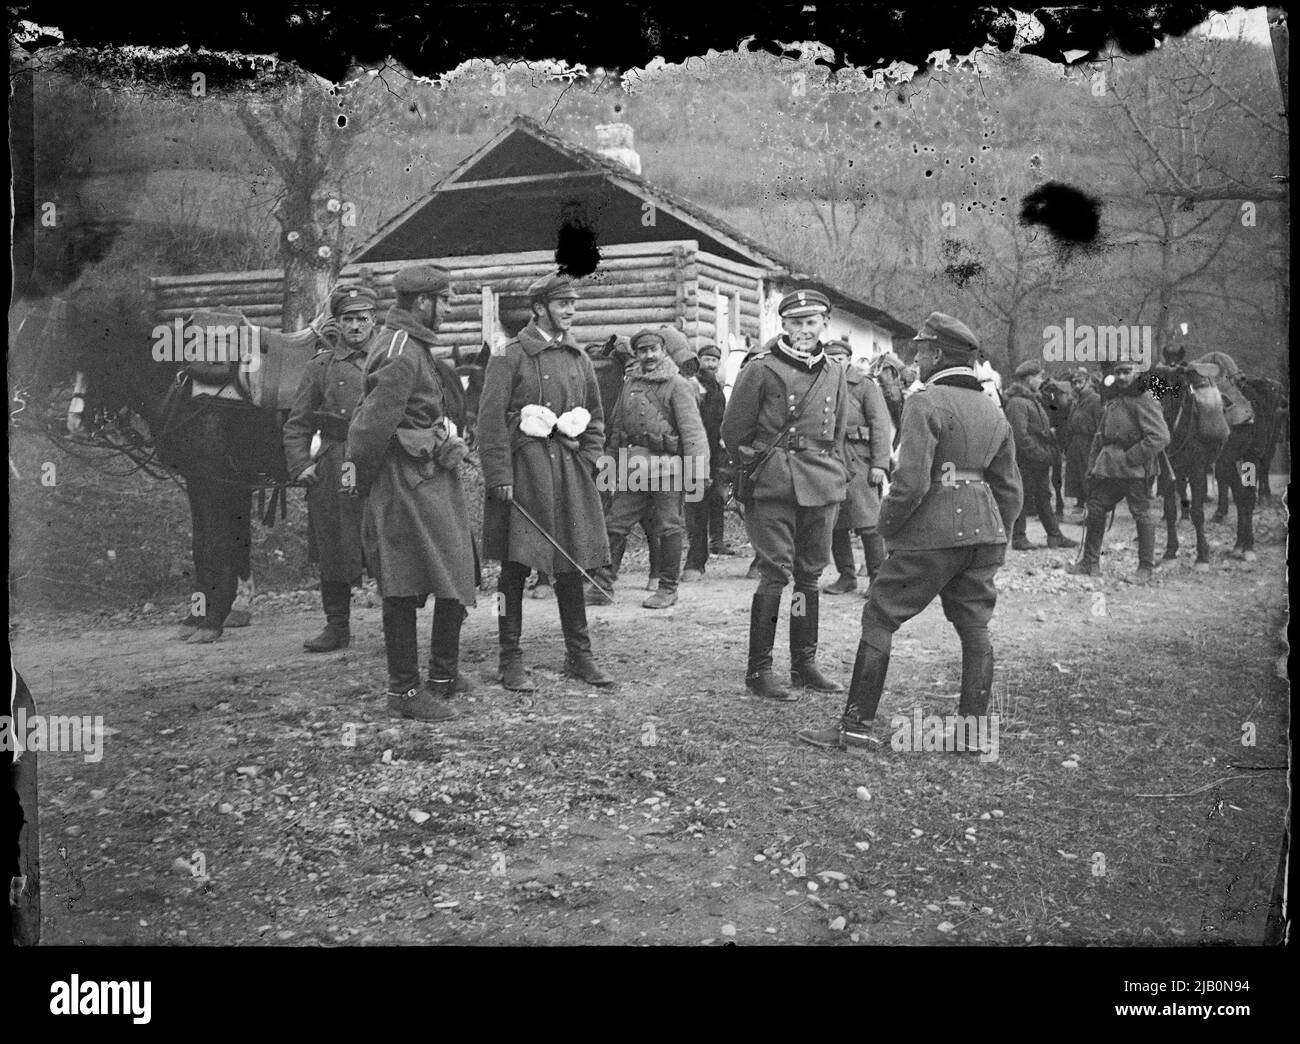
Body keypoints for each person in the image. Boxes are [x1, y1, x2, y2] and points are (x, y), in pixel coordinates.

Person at [797, 312, 1023, 752]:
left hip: (932, 535)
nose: (914, 360)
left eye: (920, 351)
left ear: (937, 354)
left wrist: (886, 526)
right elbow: (1009, 487)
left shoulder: (925, 402)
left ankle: (856, 728)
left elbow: (913, 482)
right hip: (984, 534)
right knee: (975, 626)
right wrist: (1000, 536)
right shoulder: (993, 410)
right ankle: (973, 736)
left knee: (880, 615)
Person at [344, 264, 478, 722]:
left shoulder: (414, 345)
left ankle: (443, 676)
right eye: (444, 301)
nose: (447, 309)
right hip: (402, 482)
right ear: (423, 302)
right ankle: (402, 692)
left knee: (455, 568)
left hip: (429, 478)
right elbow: (368, 428)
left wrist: (442, 439)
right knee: (402, 582)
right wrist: (361, 483)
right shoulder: (401, 350)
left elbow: (418, 413)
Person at [478, 273, 613, 690]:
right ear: (539, 308)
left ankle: (579, 655)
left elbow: (596, 417)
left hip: (569, 474)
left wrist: (588, 461)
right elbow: (489, 420)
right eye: (561, 304)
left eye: (573, 304)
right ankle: (510, 658)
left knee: (572, 563)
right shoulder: (509, 354)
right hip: (525, 474)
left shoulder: (579, 358)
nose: (570, 311)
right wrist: (500, 475)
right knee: (515, 567)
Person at [721, 288, 850, 701]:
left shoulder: (834, 370)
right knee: (775, 572)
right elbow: (733, 430)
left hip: (822, 481)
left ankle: (803, 664)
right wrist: (755, 470)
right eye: (795, 323)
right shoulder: (761, 368)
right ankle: (759, 670)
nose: (804, 331)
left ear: (824, 325)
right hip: (774, 483)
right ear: (784, 325)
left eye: (811, 323)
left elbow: (840, 430)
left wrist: (838, 473)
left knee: (809, 575)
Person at [587, 326, 708, 609]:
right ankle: (601, 586)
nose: (649, 356)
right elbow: (617, 429)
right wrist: (608, 469)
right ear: (637, 354)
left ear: (664, 351)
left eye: (654, 350)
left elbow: (693, 433)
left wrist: (698, 474)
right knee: (614, 524)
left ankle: (667, 588)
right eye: (643, 351)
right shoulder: (630, 383)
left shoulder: (678, 385)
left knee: (668, 527)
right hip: (633, 472)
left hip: (668, 471)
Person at [283, 283, 375, 652]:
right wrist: (301, 464)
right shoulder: (320, 367)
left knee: (388, 537)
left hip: (380, 462)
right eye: (348, 319)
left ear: (374, 320)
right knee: (334, 546)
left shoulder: (387, 359)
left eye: (362, 319)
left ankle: (400, 618)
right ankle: (337, 625)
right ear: (337, 322)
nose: (355, 327)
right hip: (335, 462)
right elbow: (297, 423)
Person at [1068, 360, 1171, 581]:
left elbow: (1160, 436)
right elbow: (1100, 435)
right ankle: (1090, 563)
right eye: (1119, 373)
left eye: (1127, 372)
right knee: (1095, 509)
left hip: (1135, 470)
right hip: (1109, 469)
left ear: (1137, 373)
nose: (1122, 377)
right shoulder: (1115, 398)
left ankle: (1145, 568)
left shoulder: (1145, 398)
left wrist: (1132, 457)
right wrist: (1093, 465)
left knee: (1141, 514)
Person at [822, 341, 891, 596]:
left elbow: (881, 426)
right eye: (829, 357)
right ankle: (846, 576)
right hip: (831, 462)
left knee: (869, 524)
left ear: (849, 359)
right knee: (836, 523)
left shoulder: (864, 386)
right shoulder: (821, 385)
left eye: (839, 357)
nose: (834, 361)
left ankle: (877, 579)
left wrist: (880, 464)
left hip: (861, 462)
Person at [1004, 359, 1077, 551]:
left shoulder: (1030, 399)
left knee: (1043, 497)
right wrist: (1041, 455)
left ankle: (1055, 536)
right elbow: (1019, 437)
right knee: (1023, 497)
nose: (1041, 380)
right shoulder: (1018, 403)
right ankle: (1019, 538)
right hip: (1027, 461)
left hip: (1037, 460)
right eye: (1039, 376)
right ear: (1029, 379)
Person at [681, 343, 734, 580]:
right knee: (694, 504)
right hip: (693, 450)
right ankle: (693, 558)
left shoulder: (718, 388)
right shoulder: (692, 385)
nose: (710, 364)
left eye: (714, 360)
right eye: (706, 359)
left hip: (714, 453)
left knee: (709, 501)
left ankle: (699, 556)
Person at [1063, 367, 1100, 518]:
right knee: (1076, 476)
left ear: (1088, 382)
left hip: (1089, 442)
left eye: (1080, 382)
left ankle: (1093, 512)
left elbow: (1100, 425)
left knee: (1088, 476)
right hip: (1076, 443)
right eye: (1074, 383)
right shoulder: (1076, 400)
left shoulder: (1095, 399)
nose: (1077, 386)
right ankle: (1081, 509)